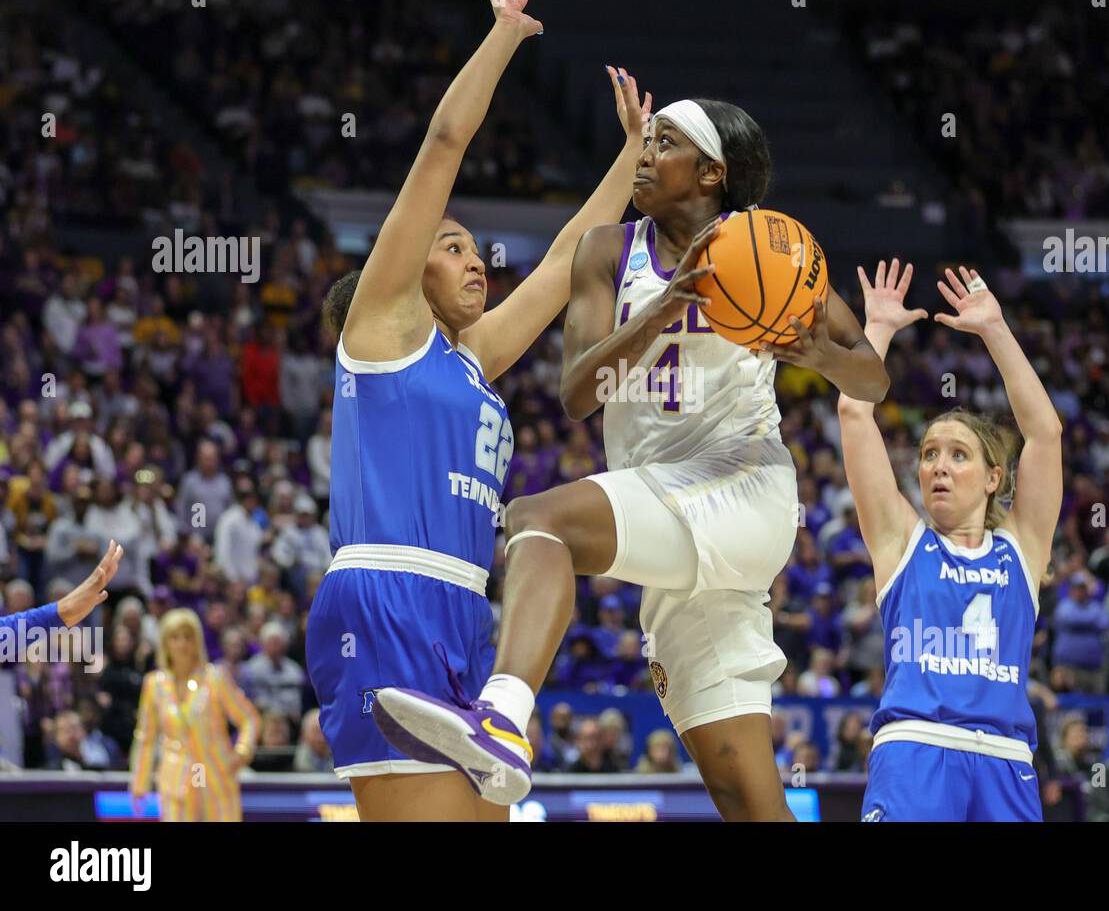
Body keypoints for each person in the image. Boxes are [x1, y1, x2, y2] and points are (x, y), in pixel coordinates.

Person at [377, 91, 889, 820]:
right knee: (747, 799)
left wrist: (820, 355)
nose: (644, 156)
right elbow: (578, 395)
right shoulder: (608, 251)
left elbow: (873, 376)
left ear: (712, 172)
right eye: (646, 142)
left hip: (743, 484)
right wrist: (664, 307)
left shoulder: (767, 246)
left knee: (537, 520)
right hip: (668, 517)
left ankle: (502, 717)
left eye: (664, 143)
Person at [304, 0, 648, 821]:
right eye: (452, 246)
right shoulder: (384, 330)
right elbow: (444, 142)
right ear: (407, 268)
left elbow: (571, 258)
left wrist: (633, 158)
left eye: (475, 251)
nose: (475, 262)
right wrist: (503, 36)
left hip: (462, 607)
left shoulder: (472, 359)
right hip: (388, 597)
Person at [840, 260, 1062, 821]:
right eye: (929, 455)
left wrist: (995, 329)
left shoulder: (1020, 548)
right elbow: (854, 412)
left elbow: (1044, 434)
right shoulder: (901, 542)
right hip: (915, 749)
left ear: (992, 478)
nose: (939, 466)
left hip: (1007, 760)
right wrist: (879, 328)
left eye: (958, 455)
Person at [129, 607, 261, 821]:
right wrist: (139, 783)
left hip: (216, 776)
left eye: (188, 637)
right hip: (175, 781)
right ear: (165, 643)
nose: (182, 644)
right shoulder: (154, 684)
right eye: (175, 637)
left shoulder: (215, 678)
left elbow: (249, 718)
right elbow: (146, 737)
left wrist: (242, 752)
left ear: (197, 641)